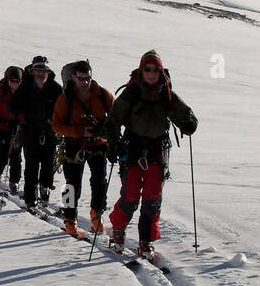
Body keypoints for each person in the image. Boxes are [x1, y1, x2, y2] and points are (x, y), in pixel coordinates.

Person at [102, 51, 198, 257]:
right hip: (132, 149)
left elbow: (185, 115)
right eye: (148, 69)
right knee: (130, 196)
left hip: (157, 151)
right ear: (141, 70)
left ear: (161, 71)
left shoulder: (167, 93)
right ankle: (118, 232)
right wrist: (113, 144)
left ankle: (145, 240)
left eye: (155, 69)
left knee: (153, 198)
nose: (152, 73)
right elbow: (113, 121)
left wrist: (188, 124)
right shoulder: (132, 92)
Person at [52, 59, 113, 237]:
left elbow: (116, 114)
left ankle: (97, 214)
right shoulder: (66, 98)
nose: (85, 82)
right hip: (73, 145)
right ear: (73, 78)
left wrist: (105, 129)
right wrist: (78, 131)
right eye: (81, 78)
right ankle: (69, 219)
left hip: (99, 144)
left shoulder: (102, 94)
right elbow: (56, 125)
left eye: (87, 78)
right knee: (71, 185)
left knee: (100, 182)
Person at [11, 55, 62, 212]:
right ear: (33, 72)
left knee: (48, 165)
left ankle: (45, 190)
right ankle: (30, 200)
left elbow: (64, 110)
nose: (41, 73)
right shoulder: (25, 87)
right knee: (31, 167)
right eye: (38, 70)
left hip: (50, 132)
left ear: (47, 71)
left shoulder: (55, 88)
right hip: (30, 131)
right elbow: (13, 108)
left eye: (43, 70)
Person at [0, 65, 24, 192]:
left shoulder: (24, 94)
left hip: (18, 129)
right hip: (3, 128)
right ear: (8, 80)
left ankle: (14, 182)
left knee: (16, 157)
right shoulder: (1, 92)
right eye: (12, 81)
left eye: (17, 81)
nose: (14, 84)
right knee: (3, 154)